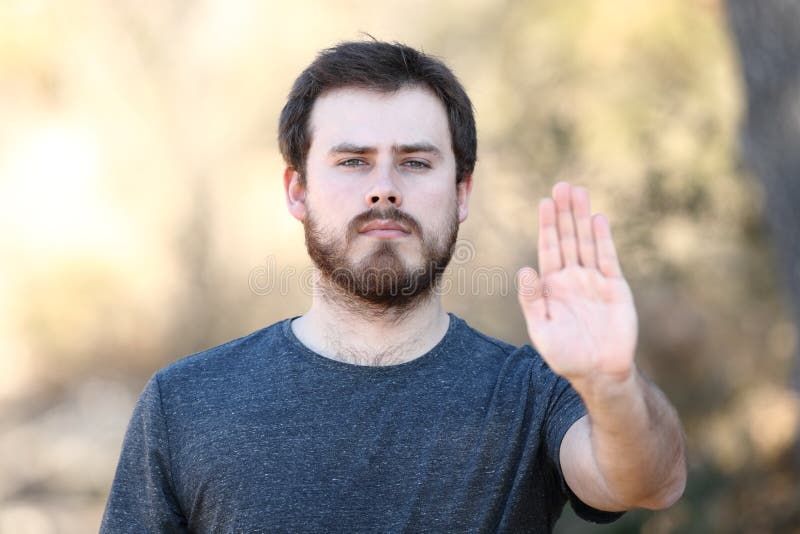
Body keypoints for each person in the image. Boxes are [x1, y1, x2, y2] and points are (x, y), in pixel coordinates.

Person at [101, 40, 686, 533]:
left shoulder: (534, 394)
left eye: (415, 161)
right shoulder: (183, 404)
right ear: (297, 191)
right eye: (353, 161)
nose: (383, 189)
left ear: (461, 194)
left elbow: (650, 482)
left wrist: (611, 384)